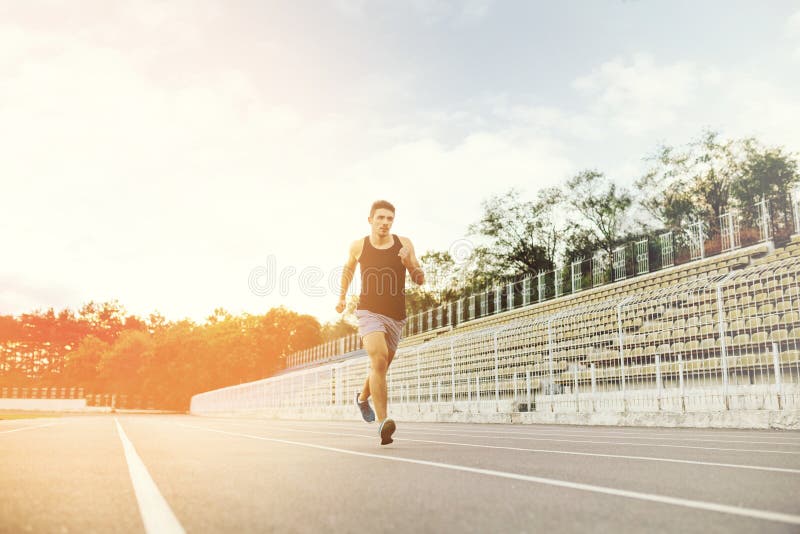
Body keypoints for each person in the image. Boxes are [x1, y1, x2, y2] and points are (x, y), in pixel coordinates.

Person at [336, 200, 425, 445]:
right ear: (370, 220)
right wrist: (342, 297)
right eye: (380, 218)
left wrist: (408, 263)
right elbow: (347, 270)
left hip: (396, 315)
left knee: (381, 366)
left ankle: (362, 398)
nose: (385, 223)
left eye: (389, 219)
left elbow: (420, 279)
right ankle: (383, 423)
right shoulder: (358, 246)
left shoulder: (404, 243)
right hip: (368, 311)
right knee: (379, 358)